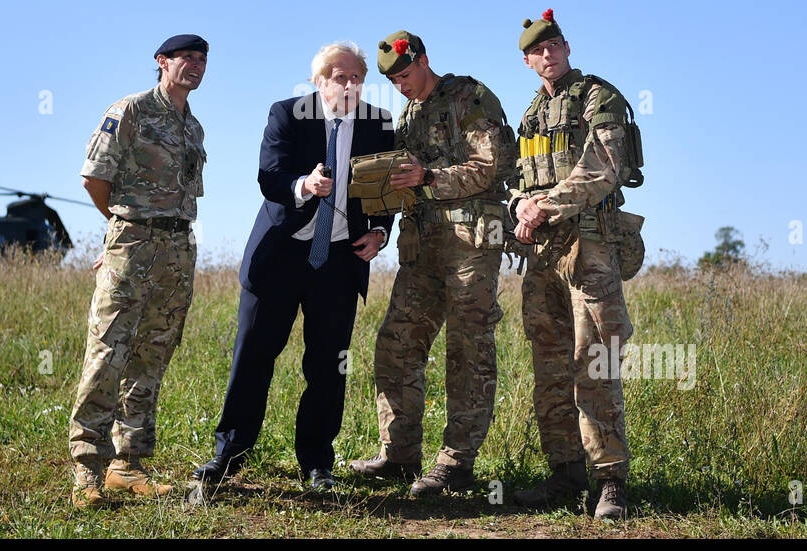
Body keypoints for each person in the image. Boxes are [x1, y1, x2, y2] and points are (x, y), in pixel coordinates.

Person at [192, 42, 394, 491]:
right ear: (319, 81)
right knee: (253, 357)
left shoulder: (379, 123)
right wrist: (305, 184)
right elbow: (270, 175)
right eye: (339, 77)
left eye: (357, 77)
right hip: (281, 257)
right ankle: (229, 455)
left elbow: (388, 187)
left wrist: (380, 231)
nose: (349, 84)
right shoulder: (286, 113)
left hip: (339, 261)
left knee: (328, 365)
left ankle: (317, 464)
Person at [348, 31, 508, 497]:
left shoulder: (469, 96)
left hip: (470, 243)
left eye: (405, 75)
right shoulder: (410, 112)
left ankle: (456, 464)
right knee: (396, 346)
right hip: (420, 248)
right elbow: (403, 182)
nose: (402, 86)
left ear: (424, 60)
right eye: (394, 81)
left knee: (467, 349)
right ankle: (399, 456)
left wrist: (430, 176)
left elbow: (491, 165)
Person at [68, 34, 208, 509]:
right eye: (185, 57)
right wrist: (120, 231)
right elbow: (95, 177)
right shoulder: (131, 110)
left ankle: (127, 465)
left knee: (152, 355)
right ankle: (87, 468)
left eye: (202, 59)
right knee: (108, 350)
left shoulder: (194, 128)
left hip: (177, 249)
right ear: (161, 62)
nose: (195, 65)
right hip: (133, 242)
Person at [508, 9, 635, 521]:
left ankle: (611, 482)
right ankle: (564, 474)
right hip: (542, 255)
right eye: (538, 50)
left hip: (590, 248)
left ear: (566, 47)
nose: (548, 55)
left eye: (555, 45)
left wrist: (544, 206)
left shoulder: (598, 96)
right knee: (550, 365)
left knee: (596, 362)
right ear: (527, 60)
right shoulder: (531, 115)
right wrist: (520, 204)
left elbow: (606, 166)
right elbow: (519, 178)